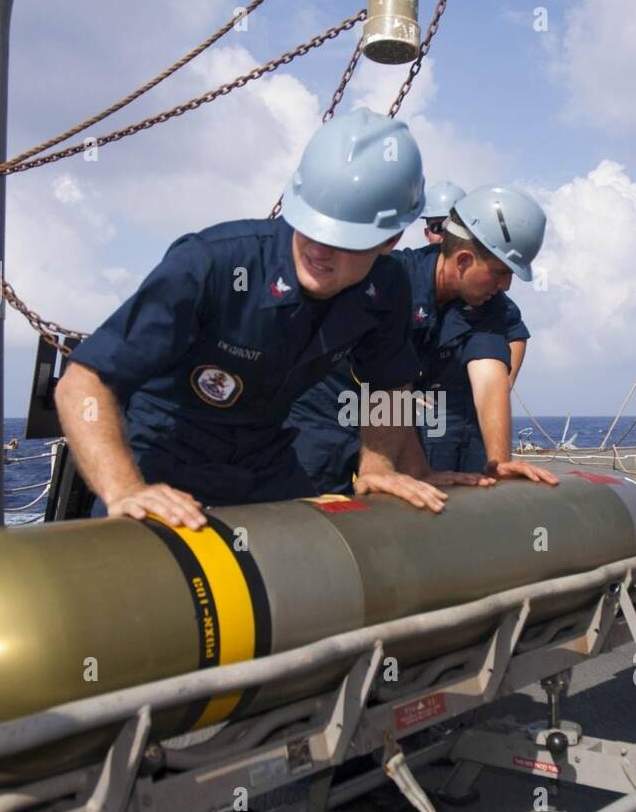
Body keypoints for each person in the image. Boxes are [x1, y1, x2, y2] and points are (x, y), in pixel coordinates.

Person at [55, 109, 486, 530]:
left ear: (390, 239)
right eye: (310, 224)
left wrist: (378, 466)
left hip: (266, 461)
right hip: (162, 460)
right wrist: (124, 489)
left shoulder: (386, 287)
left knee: (323, 573)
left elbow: (389, 382)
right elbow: (84, 382)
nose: (318, 248)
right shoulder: (212, 264)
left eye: (342, 239)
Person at [287, 185, 557, 492]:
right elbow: (382, 378)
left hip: (391, 417)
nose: (506, 285)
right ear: (464, 261)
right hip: (325, 419)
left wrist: (499, 462)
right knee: (313, 522)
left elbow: (489, 378)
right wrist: (399, 466)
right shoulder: (392, 282)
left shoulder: (488, 303)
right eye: (500, 272)